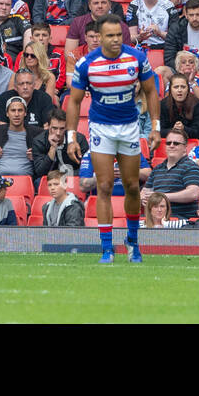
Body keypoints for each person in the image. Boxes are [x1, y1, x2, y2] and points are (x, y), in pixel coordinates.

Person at [65, 14, 160, 262]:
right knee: (104, 186)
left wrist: (156, 127)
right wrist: (71, 137)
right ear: (99, 37)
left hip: (129, 127)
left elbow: (151, 91)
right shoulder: (87, 63)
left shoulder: (137, 58)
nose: (116, 39)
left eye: (119, 34)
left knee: (131, 186)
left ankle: (132, 241)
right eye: (110, 35)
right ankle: (107, 247)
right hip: (101, 129)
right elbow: (74, 101)